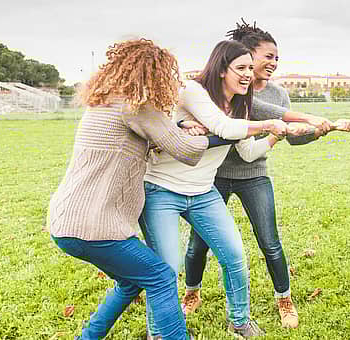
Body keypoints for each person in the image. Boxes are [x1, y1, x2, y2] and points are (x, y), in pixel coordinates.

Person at [181, 20, 350, 329]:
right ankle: (192, 292)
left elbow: (290, 133)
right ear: (243, 58)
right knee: (199, 243)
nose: (273, 63)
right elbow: (271, 116)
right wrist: (304, 119)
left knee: (270, 241)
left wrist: (318, 131)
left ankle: (284, 299)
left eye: (277, 58)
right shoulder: (227, 91)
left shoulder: (277, 95)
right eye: (268, 56)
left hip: (254, 174)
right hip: (215, 176)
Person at [48, 38, 226, 340]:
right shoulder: (136, 107)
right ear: (151, 75)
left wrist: (180, 128)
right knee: (160, 276)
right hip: (96, 229)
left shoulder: (106, 102)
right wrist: (217, 134)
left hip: (66, 223)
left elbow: (150, 136)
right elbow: (186, 151)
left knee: (130, 282)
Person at [139, 40, 290, 339]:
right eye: (241, 68)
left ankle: (240, 322)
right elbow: (224, 128)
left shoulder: (239, 104)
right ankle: (158, 333)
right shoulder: (194, 92)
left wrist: (276, 136)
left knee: (234, 256)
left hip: (203, 191)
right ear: (222, 70)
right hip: (162, 189)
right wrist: (271, 123)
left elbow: (247, 152)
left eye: (250, 68)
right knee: (167, 268)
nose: (249, 74)